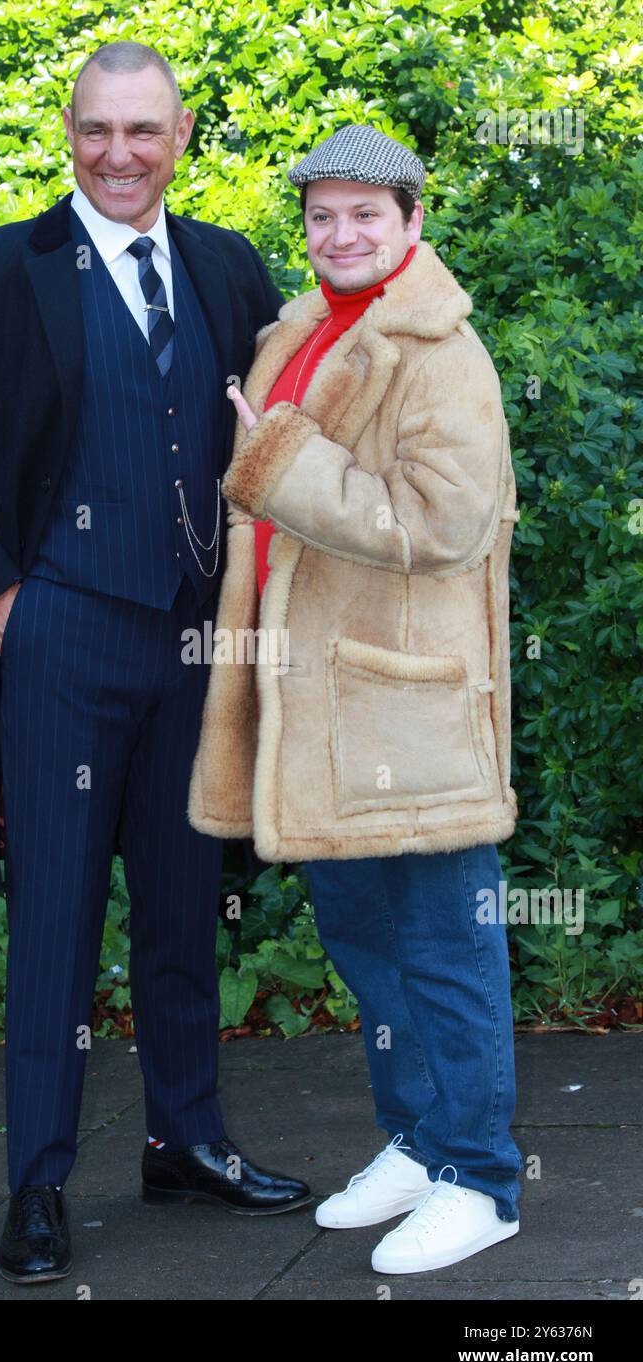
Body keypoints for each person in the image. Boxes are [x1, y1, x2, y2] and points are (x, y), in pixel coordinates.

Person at [0, 40, 312, 1287]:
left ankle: (187, 1142)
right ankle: (37, 1184)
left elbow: (282, 423)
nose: (119, 154)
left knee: (188, 906)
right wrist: (3, 601)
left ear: (182, 136)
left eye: (145, 131)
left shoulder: (231, 266)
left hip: (194, 645)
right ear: (68, 135)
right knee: (57, 923)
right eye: (97, 131)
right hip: (60, 637)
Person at [189, 123, 523, 1275]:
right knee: (367, 943)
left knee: (446, 949)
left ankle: (484, 1178)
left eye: (365, 215)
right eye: (323, 214)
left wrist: (282, 461)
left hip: (411, 710)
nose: (341, 234)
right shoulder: (298, 329)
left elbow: (444, 523)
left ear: (412, 222)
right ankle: (421, 1140)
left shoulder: (442, 352)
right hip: (315, 707)